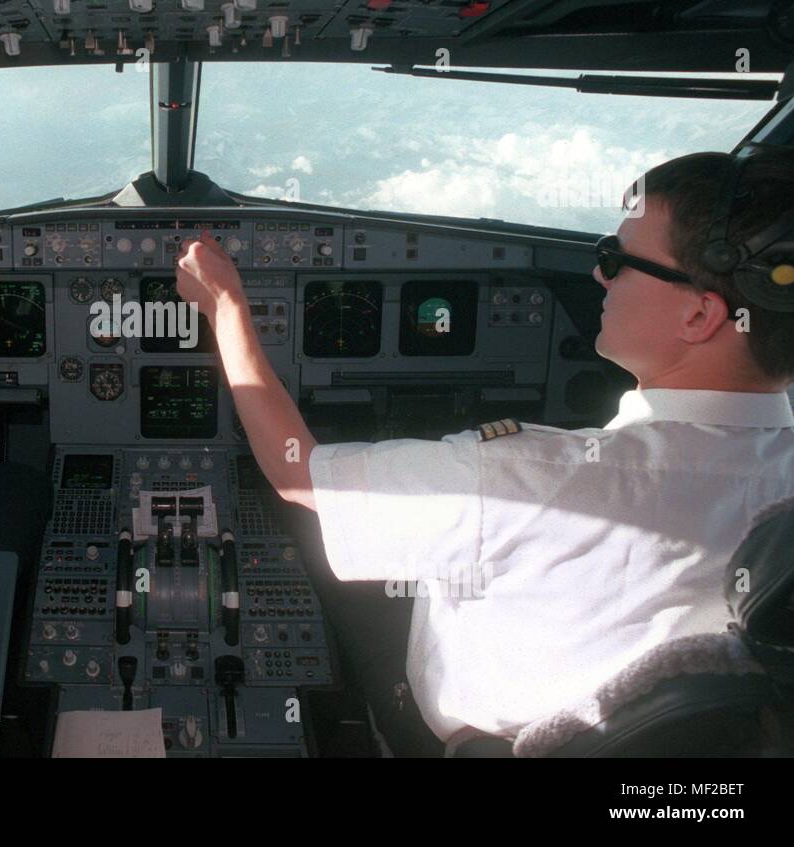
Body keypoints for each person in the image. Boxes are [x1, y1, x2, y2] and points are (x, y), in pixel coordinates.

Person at [175, 147, 794, 749]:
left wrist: (226, 308)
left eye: (618, 258)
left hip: (483, 739)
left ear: (701, 317)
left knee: (307, 515)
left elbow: (299, 474)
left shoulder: (536, 477)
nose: (598, 272)